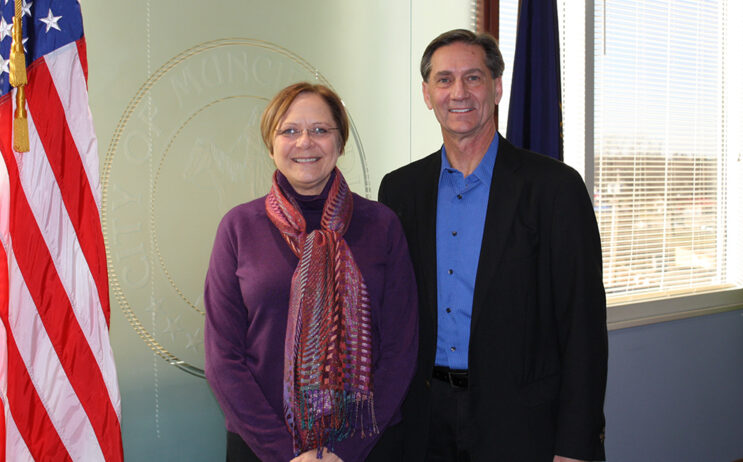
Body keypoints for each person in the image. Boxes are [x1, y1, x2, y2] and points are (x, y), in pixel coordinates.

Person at [378, 29, 608, 462]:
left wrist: (576, 445)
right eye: (444, 80)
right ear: (427, 94)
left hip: (521, 422)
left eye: (474, 78)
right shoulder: (400, 190)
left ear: (497, 88)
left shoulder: (554, 188)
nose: (458, 92)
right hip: (424, 418)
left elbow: (583, 325)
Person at [205, 82, 418, 462]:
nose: (305, 142)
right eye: (289, 130)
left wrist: (344, 451)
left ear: (340, 142)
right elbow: (223, 358)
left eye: (320, 130)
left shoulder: (382, 225)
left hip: (367, 446)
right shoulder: (238, 227)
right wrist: (285, 454)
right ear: (271, 145)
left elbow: (400, 349)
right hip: (262, 447)